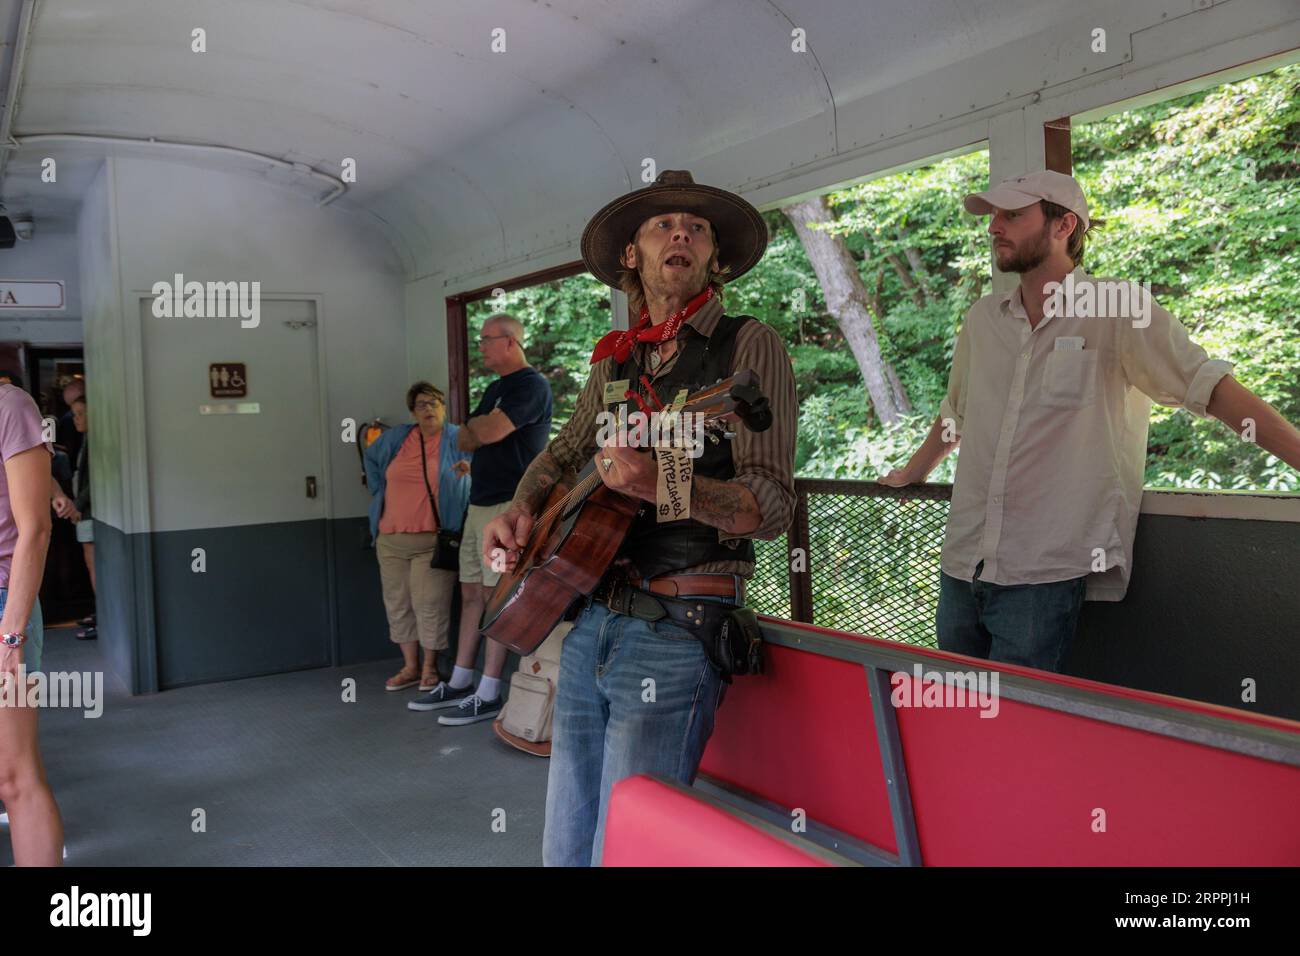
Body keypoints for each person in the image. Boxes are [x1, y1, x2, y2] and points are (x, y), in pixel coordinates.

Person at [483, 170, 798, 866]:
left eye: (697, 227)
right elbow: (565, 453)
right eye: (662, 224)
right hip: (593, 615)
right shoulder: (617, 362)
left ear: (715, 258)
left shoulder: (749, 347)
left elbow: (769, 502)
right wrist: (520, 511)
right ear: (633, 255)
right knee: (564, 840)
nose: (680, 233)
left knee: (629, 850)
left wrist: (662, 484)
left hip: (677, 628)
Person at [881, 170, 1300, 671]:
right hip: (960, 564)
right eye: (992, 215)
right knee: (958, 722)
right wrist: (914, 471)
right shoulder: (982, 319)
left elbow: (1210, 389)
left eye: (1012, 214)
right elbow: (958, 414)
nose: (994, 226)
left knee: (1022, 732)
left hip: (1044, 573)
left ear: (1064, 226)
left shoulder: (1118, 309)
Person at [409, 314, 553, 726]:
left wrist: (479, 427)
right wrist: (478, 428)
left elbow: (484, 433)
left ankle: (489, 691)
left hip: (509, 506)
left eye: (487, 340)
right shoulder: (495, 388)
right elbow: (464, 437)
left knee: (496, 597)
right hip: (479, 504)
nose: (481, 347)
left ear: (510, 342)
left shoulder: (531, 386)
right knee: (470, 593)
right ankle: (459, 681)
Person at [363, 384, 471, 691]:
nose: (429, 409)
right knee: (398, 604)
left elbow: (476, 467)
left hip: (434, 540)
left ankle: (429, 668)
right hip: (390, 536)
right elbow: (370, 459)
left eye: (435, 403)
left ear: (444, 407)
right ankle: (409, 667)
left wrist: (467, 475)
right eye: (422, 404)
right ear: (413, 411)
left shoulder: (457, 437)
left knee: (430, 605)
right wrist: (377, 492)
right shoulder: (398, 438)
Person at [0, 380, 63, 865]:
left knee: (14, 777)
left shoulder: (11, 407)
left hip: (3, 607)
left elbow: (36, 529)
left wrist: (12, 634)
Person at [52, 395, 95, 639]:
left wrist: (77, 505)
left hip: (87, 511)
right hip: (85, 509)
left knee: (93, 565)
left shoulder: (94, 442)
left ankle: (101, 617)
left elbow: (94, 480)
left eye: (80, 413)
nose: (75, 419)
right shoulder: (85, 440)